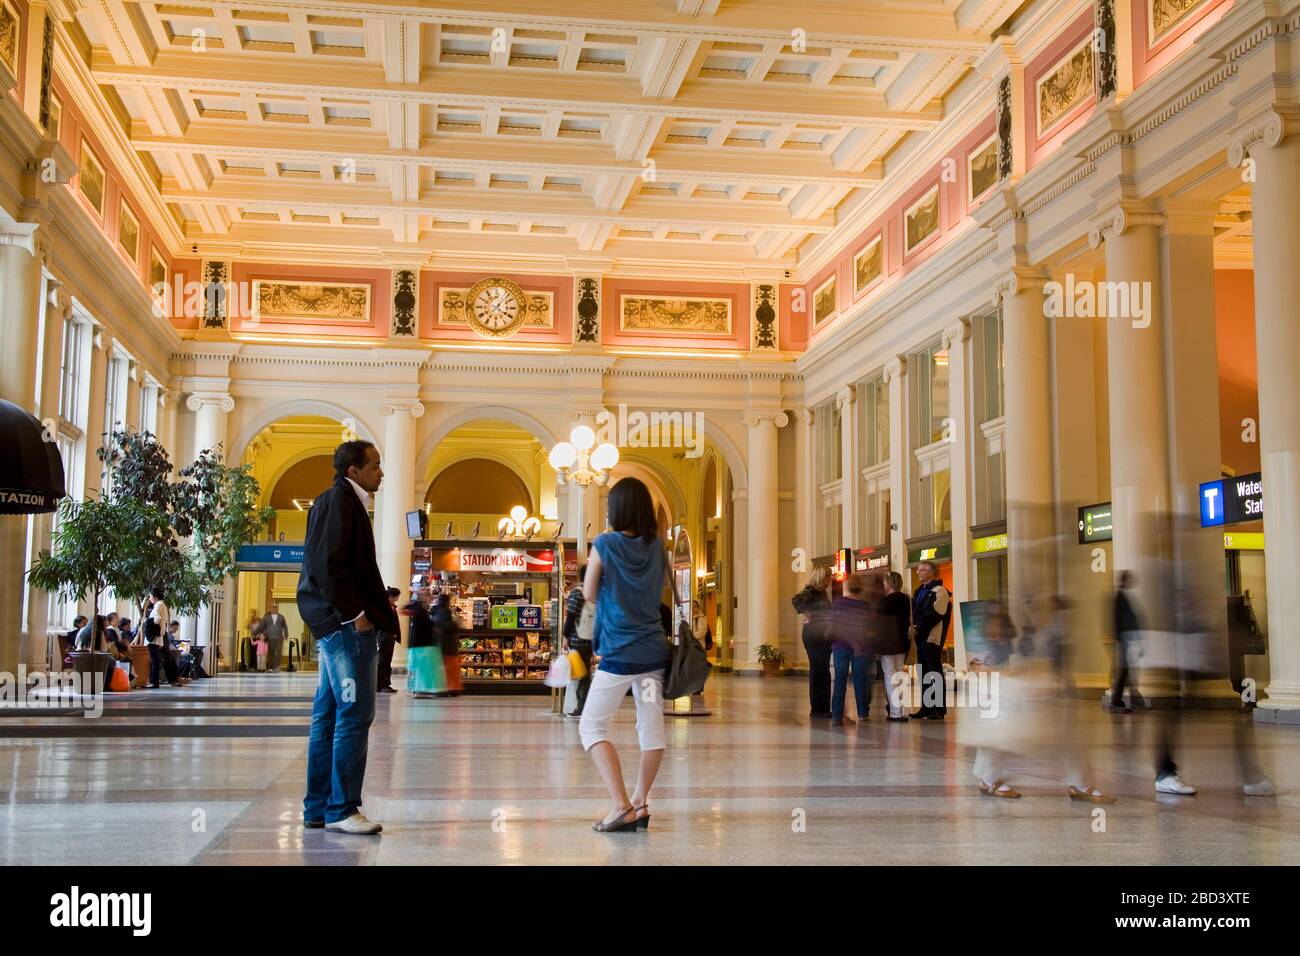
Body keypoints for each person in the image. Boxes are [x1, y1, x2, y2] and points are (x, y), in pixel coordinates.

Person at [298, 440, 398, 835]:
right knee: (355, 715)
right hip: (344, 626)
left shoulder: (342, 501)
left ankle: (318, 808)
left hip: (333, 623)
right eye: (374, 465)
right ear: (353, 470)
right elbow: (329, 565)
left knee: (328, 715)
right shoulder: (339, 503)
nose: (381, 472)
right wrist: (356, 616)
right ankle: (342, 808)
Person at [578, 477, 672, 833]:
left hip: (618, 654)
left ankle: (620, 806)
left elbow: (589, 593)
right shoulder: (658, 546)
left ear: (615, 509)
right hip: (652, 654)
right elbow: (661, 587)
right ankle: (640, 801)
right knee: (651, 728)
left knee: (591, 725)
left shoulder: (605, 543)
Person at [829, 573, 874, 725]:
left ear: (847, 587)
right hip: (861, 647)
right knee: (860, 680)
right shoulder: (866, 606)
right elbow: (869, 627)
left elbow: (833, 623)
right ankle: (863, 713)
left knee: (840, 680)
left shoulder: (839, 603)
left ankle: (836, 715)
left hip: (840, 645)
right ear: (861, 588)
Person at [909, 561, 951, 719]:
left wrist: (918, 627)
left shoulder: (940, 591)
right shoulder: (920, 590)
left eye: (923, 570)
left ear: (932, 572)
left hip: (932, 637)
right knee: (923, 673)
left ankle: (938, 709)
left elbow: (936, 614)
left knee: (935, 673)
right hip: (919, 638)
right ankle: (926, 706)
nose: (918, 572)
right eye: (918, 569)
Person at [792, 566, 833, 718]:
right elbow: (796, 600)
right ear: (822, 577)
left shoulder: (822, 593)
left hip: (823, 634)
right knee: (818, 670)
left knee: (824, 671)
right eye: (828, 578)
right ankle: (817, 708)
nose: (830, 581)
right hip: (813, 635)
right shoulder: (811, 590)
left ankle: (823, 707)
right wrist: (809, 615)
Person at [875, 572, 912, 721]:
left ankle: (895, 712)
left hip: (887, 643)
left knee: (890, 676)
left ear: (888, 583)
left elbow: (879, 624)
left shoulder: (885, 602)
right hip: (902, 642)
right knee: (900, 675)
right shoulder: (906, 599)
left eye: (884, 582)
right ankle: (903, 710)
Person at [1109, 570, 1142, 714]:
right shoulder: (1120, 597)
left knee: (1126, 670)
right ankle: (1116, 701)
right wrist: (1120, 638)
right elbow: (1118, 619)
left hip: (1126, 638)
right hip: (1125, 639)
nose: (1132, 582)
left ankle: (1125, 698)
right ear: (1125, 581)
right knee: (1124, 670)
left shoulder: (1124, 596)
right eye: (1130, 579)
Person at [561, 567, 593, 717]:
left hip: (577, 639)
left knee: (581, 675)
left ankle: (582, 706)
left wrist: (565, 636)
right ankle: (583, 705)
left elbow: (571, 616)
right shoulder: (595, 594)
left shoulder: (577, 593)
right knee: (584, 673)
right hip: (590, 639)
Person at [404, 591, 448, 699]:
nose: (431, 598)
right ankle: (420, 690)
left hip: (418, 643)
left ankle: (419, 690)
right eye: (428, 596)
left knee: (420, 667)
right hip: (421, 644)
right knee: (422, 668)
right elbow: (424, 625)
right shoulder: (419, 608)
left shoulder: (418, 607)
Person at [144, 587, 181, 689]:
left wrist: (147, 621)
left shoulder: (157, 606)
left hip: (155, 637)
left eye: (151, 596)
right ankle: (172, 679)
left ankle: (154, 682)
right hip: (161, 635)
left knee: (155, 660)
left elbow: (156, 620)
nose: (150, 598)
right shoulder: (163, 605)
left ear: (155, 597)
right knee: (164, 657)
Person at [375, 587, 401, 694]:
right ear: (390, 597)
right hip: (384, 638)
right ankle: (380, 685)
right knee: (383, 661)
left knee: (387, 661)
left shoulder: (391, 607)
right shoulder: (384, 608)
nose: (397, 599)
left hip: (389, 638)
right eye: (396, 597)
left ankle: (386, 684)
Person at [261, 603, 289, 673]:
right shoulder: (266, 617)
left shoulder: (281, 617)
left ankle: (276, 667)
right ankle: (270, 667)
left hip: (279, 638)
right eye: (272, 607)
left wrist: (286, 635)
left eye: (275, 607)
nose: (273, 608)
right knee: (270, 653)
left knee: (278, 653)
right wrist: (263, 635)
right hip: (270, 638)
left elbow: (285, 627)